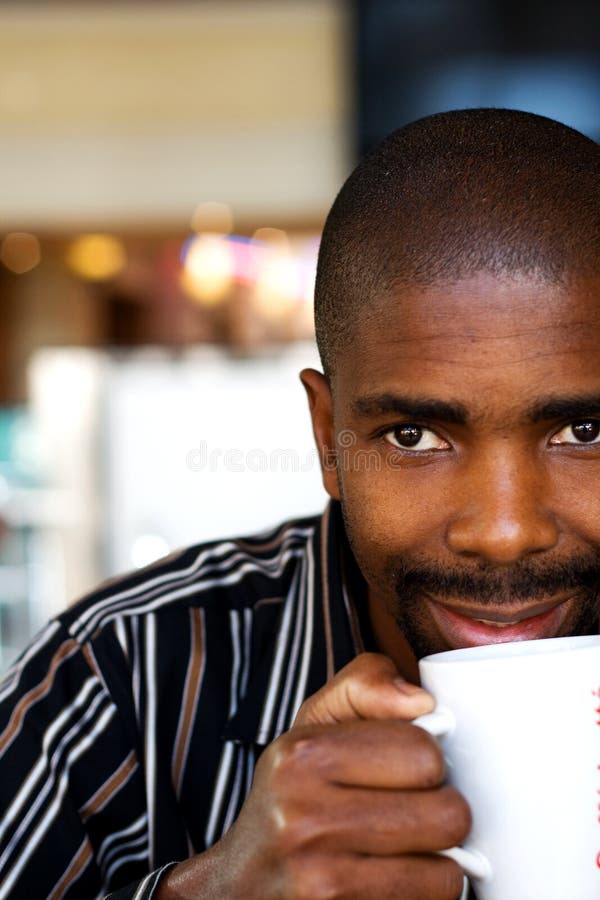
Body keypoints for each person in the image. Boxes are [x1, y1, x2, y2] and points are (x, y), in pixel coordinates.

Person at [1, 107, 599, 900]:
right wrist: (210, 891)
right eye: (414, 436)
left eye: (584, 430)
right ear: (328, 439)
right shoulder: (115, 681)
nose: (502, 532)